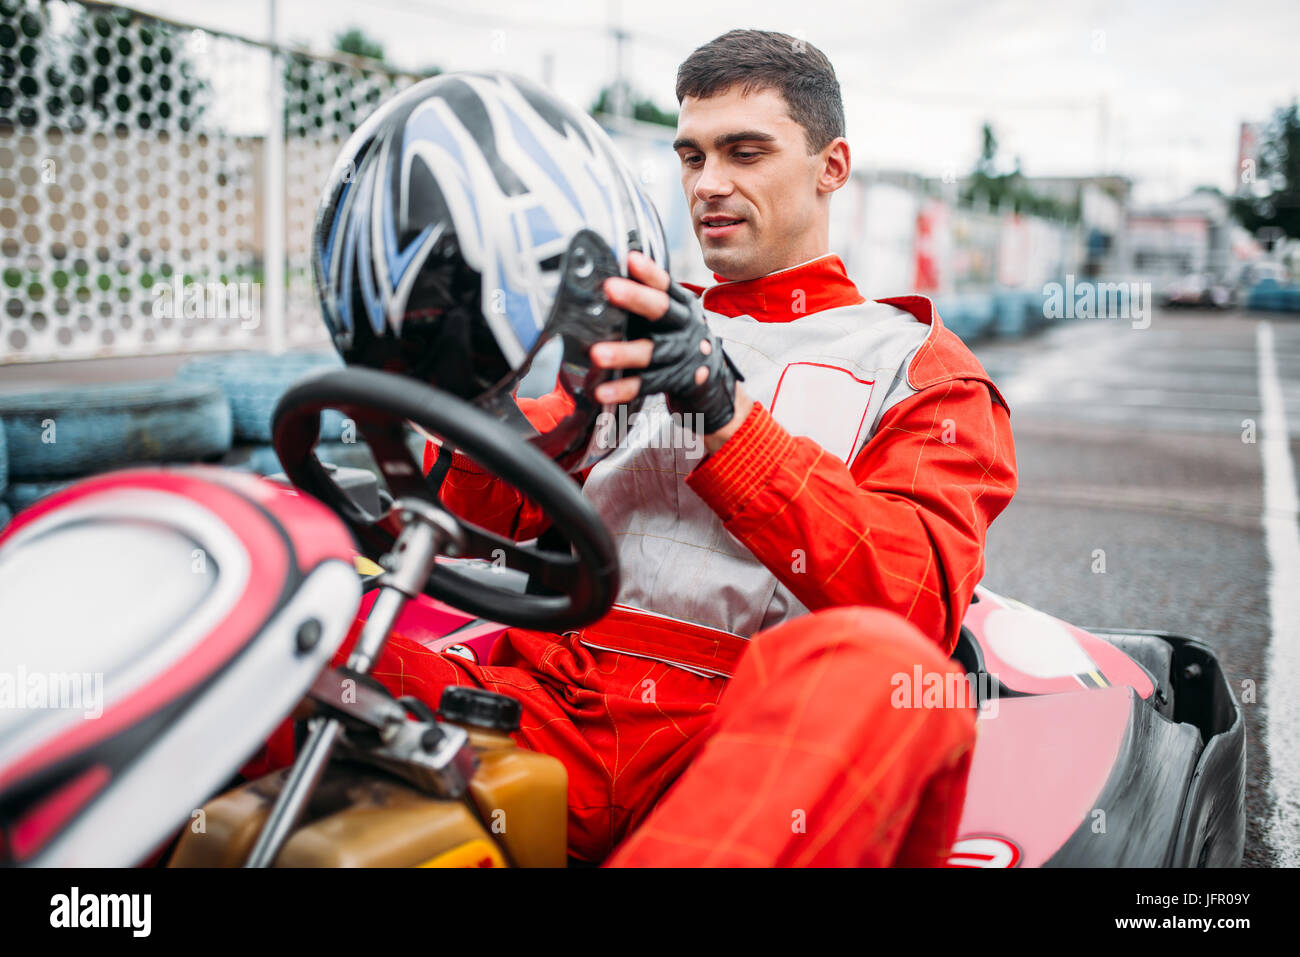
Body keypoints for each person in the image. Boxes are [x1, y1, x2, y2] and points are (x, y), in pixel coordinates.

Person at [266, 30, 1018, 867]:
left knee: (886, 673)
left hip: (747, 732)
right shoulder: (623, 320)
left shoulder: (918, 367)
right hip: (547, 703)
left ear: (831, 166)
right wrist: (474, 389)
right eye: (691, 157)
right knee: (262, 617)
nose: (710, 185)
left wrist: (723, 412)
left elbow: (914, 602)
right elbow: (483, 523)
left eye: (745, 152)